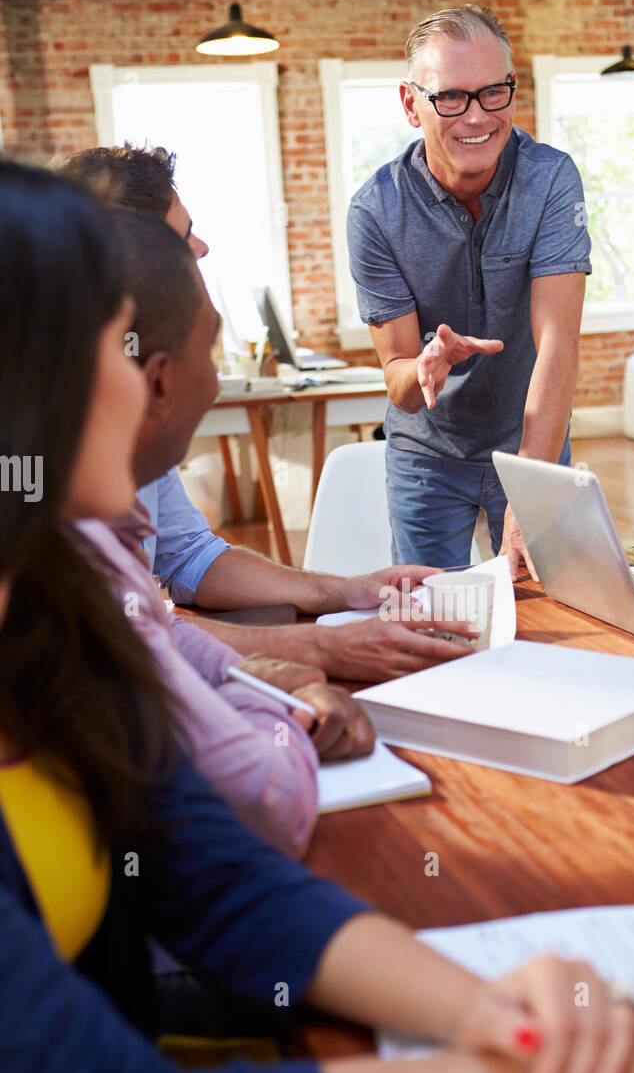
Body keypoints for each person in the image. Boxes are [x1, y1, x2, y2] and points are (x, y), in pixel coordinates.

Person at [1, 160, 634, 1073]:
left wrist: (486, 1014)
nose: (163, 385)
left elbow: (210, 874)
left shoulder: (62, 612)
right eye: (121, 347)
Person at [61, 142, 477, 681]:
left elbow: (187, 556)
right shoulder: (50, 426)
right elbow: (111, 629)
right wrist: (320, 650)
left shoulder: (133, 395)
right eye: (184, 235)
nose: (203, 247)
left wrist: (342, 589)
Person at [79, 206, 375, 863]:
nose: (217, 383)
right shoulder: (70, 552)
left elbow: (158, 620)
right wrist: (281, 701)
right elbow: (263, 796)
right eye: (208, 352)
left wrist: (267, 663)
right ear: (154, 378)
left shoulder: (95, 520)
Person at [347, 5, 591, 576]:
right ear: (411, 104)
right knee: (430, 623)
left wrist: (533, 487)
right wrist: (425, 367)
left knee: (555, 618)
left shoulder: (551, 179)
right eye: (451, 97)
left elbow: (559, 344)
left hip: (532, 443)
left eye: (493, 93)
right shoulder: (376, 211)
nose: (476, 116)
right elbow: (399, 383)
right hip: (428, 455)